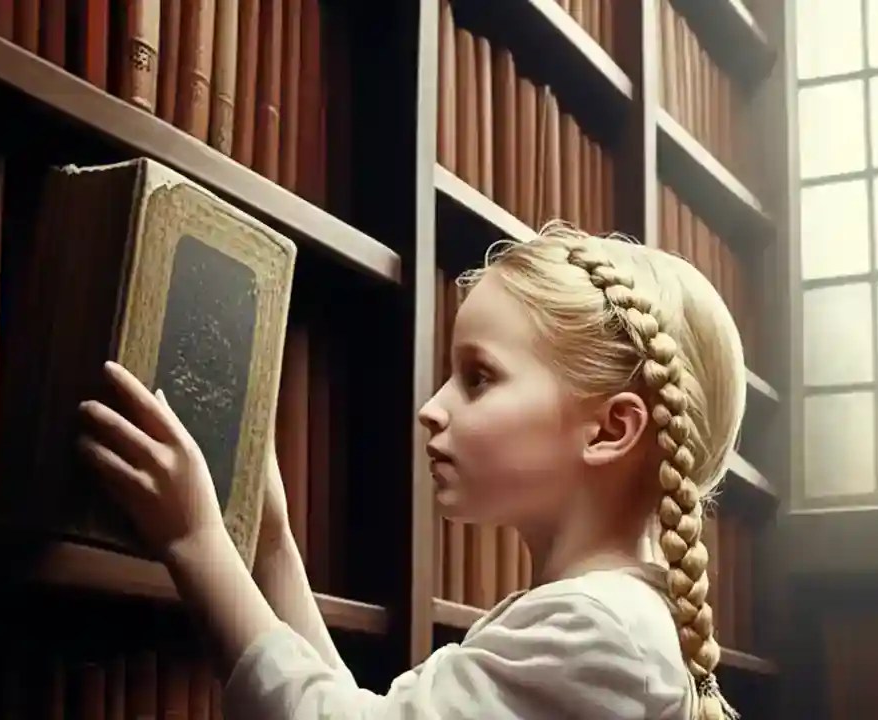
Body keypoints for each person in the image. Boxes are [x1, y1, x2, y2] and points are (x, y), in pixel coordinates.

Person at [77, 221, 747, 719]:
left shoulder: (599, 629)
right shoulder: (607, 618)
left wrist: (196, 543)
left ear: (610, 429)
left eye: (478, 377)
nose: (431, 409)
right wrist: (271, 545)